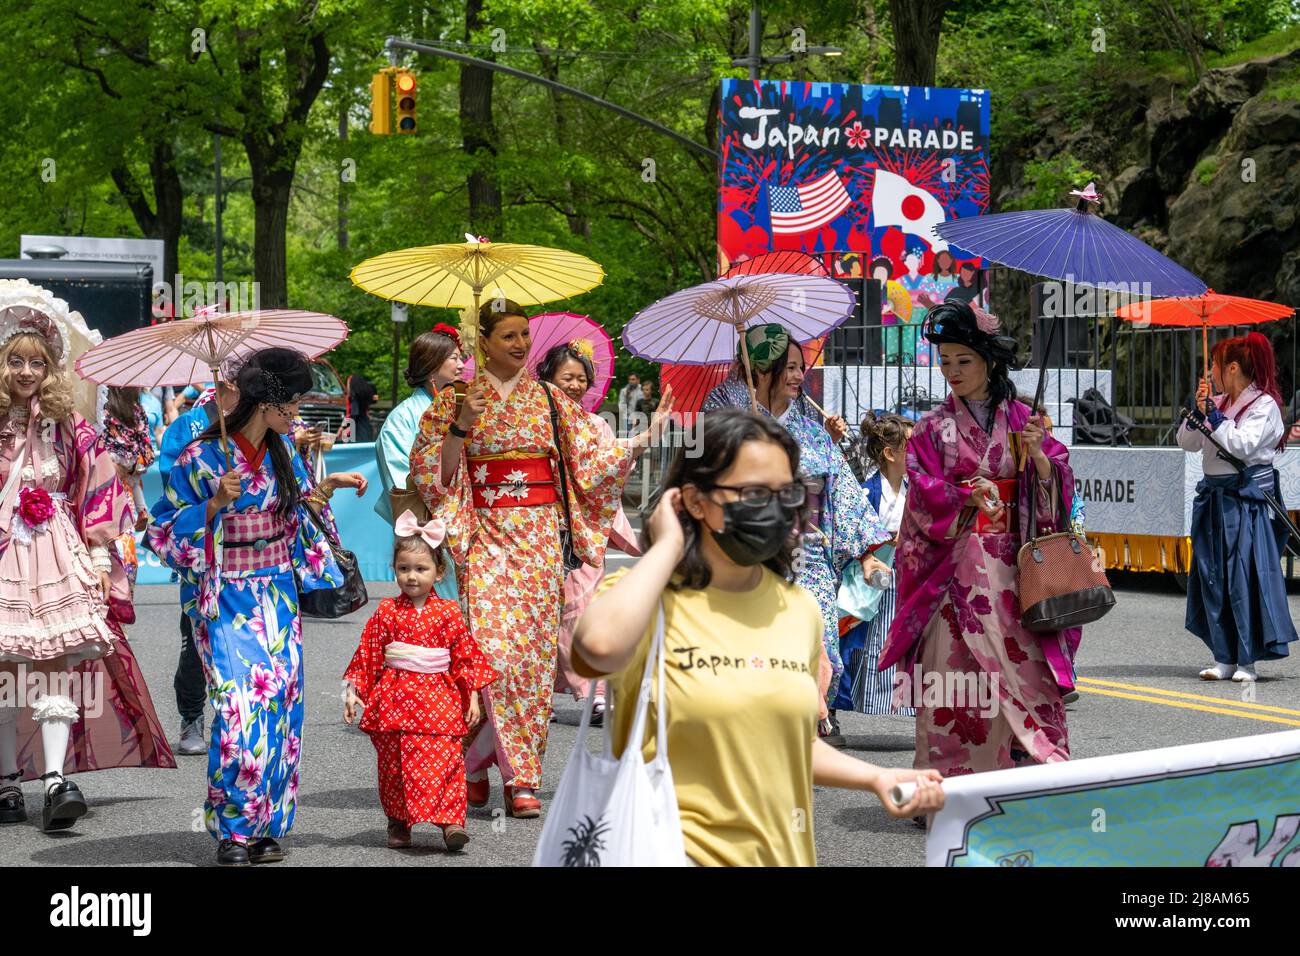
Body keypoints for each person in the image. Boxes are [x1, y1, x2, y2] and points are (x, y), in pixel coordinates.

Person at [572, 408, 944, 866]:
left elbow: (789, 744)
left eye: (785, 492)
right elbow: (596, 649)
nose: (773, 508)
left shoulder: (799, 610)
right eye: (752, 491)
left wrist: (876, 778)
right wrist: (668, 545)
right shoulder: (647, 599)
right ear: (694, 500)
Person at [409, 299, 634, 818]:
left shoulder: (551, 399)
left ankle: (519, 775)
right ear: (482, 340)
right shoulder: (453, 400)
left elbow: (593, 461)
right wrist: (461, 425)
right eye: (507, 335)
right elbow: (435, 477)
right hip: (484, 534)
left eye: (523, 336)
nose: (519, 345)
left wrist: (641, 440)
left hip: (536, 540)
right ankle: (477, 760)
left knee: (530, 661)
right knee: (490, 654)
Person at [150, 347, 368, 866]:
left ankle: (268, 822)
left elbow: (297, 513)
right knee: (238, 705)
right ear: (265, 401)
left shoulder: (284, 452)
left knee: (280, 704)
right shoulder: (199, 457)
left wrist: (328, 487)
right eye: (290, 402)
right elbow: (160, 529)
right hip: (224, 591)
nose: (295, 412)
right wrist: (213, 505)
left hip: (277, 590)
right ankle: (232, 828)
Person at [0, 281, 174, 833]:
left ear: (52, 368)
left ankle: (53, 781)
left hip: (55, 554)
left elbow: (101, 492)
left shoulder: (72, 427)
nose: (26, 371)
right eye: (15, 361)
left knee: (53, 664)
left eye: (37, 362)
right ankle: (6, 781)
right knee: (5, 670)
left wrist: (101, 562)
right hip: (4, 550)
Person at [878, 301, 1078, 777]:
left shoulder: (1024, 423)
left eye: (963, 360)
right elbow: (920, 492)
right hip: (956, 572)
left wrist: (1040, 460)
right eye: (945, 361)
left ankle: (1034, 776)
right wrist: (965, 496)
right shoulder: (930, 428)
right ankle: (951, 787)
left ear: (989, 361)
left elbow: (1061, 484)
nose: (952, 371)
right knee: (953, 680)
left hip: (1017, 574)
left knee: (1027, 675)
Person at [702, 324, 891, 746]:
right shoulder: (729, 415)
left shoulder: (811, 428)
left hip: (809, 553)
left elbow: (841, 487)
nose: (797, 375)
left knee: (818, 636)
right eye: (787, 367)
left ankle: (812, 720)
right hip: (751, 552)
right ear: (761, 371)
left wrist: (864, 554)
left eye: (799, 367)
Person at [343, 511, 498, 851]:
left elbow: (464, 657)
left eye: (421, 569)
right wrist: (353, 690)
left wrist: (472, 695)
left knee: (445, 759)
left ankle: (451, 822)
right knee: (394, 764)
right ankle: (398, 822)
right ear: (394, 569)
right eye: (403, 568)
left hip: (438, 698)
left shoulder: (449, 612)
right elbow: (368, 653)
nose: (411, 577)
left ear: (439, 572)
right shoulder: (387, 611)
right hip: (395, 699)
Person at [538, 340, 672, 722]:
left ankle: (594, 690)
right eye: (568, 377)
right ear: (547, 378)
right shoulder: (531, 420)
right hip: (538, 528)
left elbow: (609, 467)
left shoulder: (594, 424)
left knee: (581, 609)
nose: (576, 385)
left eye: (582, 378)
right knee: (540, 617)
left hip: (583, 530)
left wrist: (644, 440)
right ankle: (537, 693)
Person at [1179, 332, 1298, 682]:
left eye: (1214, 366)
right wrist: (1198, 412)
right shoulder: (1218, 402)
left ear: (1232, 368)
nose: (1210, 373)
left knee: (1242, 579)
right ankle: (1224, 657)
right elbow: (1187, 442)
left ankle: (1247, 661)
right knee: (1212, 578)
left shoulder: (1264, 406)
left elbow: (1242, 444)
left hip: (1244, 504)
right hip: (1214, 500)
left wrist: (1214, 416)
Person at [156, 364, 242, 758]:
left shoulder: (255, 424)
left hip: (247, 555)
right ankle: (192, 716)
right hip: (202, 546)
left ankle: (239, 720)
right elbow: (171, 482)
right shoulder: (187, 426)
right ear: (222, 383)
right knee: (196, 638)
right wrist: (212, 490)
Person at [834, 412, 917, 717]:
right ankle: (839, 700)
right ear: (890, 454)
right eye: (910, 447)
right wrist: (886, 540)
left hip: (903, 577)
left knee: (896, 641)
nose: (917, 453)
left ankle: (896, 701)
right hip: (872, 577)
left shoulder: (913, 489)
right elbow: (853, 533)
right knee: (860, 640)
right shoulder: (867, 492)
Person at [374, 325, 464, 603]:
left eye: (462, 358)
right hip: (430, 527)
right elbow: (400, 481)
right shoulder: (402, 418)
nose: (462, 365)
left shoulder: (462, 409)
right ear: (432, 365)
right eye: (454, 358)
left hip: (467, 524)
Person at [99, 386, 156, 532]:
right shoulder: (136, 410)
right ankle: (142, 510)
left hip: (107, 465)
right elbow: (145, 444)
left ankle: (141, 512)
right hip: (131, 461)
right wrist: (137, 464)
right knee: (135, 485)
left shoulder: (100, 408)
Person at [617, 373, 641, 438]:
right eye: (630, 379)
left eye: (633, 379)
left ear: (638, 380)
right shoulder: (624, 391)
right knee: (628, 438)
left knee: (639, 438)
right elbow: (621, 406)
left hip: (640, 417)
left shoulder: (642, 390)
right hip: (628, 418)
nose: (631, 381)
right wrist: (626, 396)